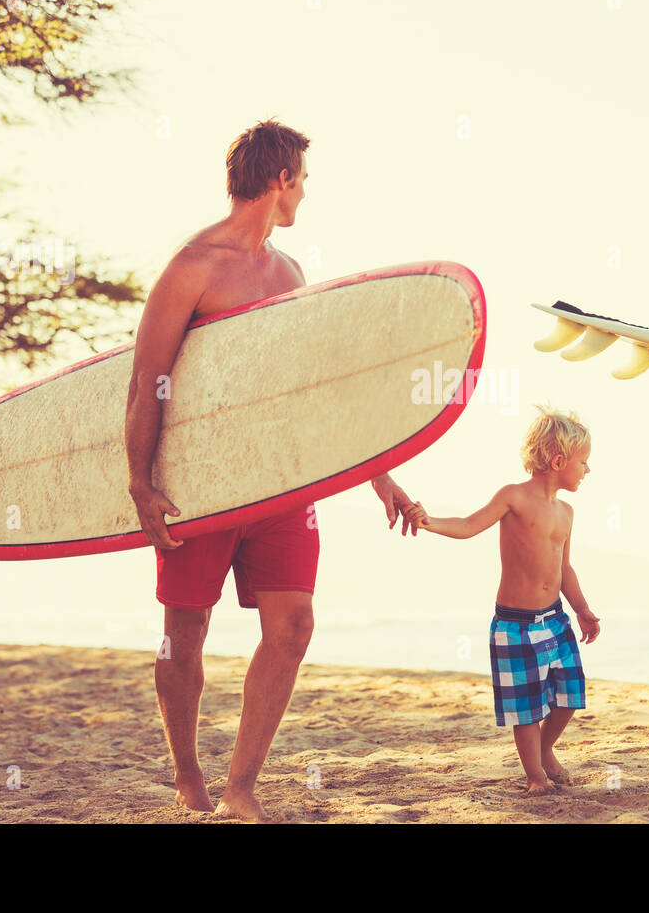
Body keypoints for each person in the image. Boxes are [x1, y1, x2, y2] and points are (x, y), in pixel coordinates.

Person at [124, 120, 419, 821]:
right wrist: (141, 482)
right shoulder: (192, 267)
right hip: (200, 483)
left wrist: (379, 471)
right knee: (185, 629)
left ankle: (240, 789)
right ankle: (188, 774)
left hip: (281, 480)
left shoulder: (288, 273)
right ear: (280, 180)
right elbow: (146, 381)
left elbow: (311, 389)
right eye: (303, 182)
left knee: (292, 627)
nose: (305, 196)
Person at [404, 408, 600, 794]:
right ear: (558, 461)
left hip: (555, 620)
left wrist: (582, 609)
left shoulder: (566, 512)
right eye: (583, 462)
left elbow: (566, 568)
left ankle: (546, 750)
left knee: (570, 694)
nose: (587, 470)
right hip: (515, 625)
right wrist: (429, 522)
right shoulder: (513, 497)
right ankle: (535, 775)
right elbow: (468, 525)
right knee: (525, 708)